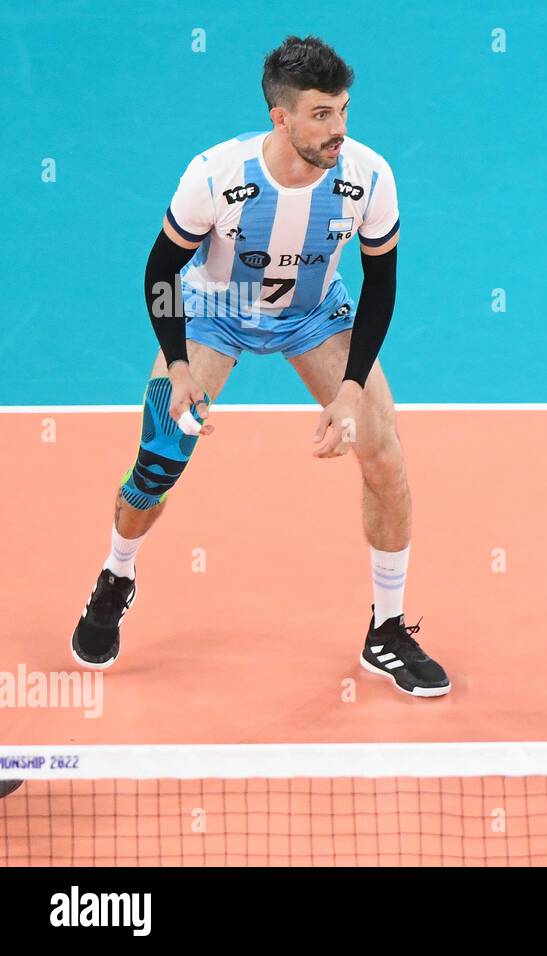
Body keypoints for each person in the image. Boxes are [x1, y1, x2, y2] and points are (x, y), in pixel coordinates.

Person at [71, 36, 449, 698]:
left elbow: (380, 285)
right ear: (281, 117)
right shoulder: (217, 174)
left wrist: (353, 388)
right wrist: (181, 367)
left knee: (385, 456)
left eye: (343, 111)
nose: (339, 129)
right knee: (159, 459)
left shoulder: (370, 176)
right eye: (321, 115)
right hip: (216, 312)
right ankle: (117, 574)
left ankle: (386, 629)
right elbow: (161, 271)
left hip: (315, 316)